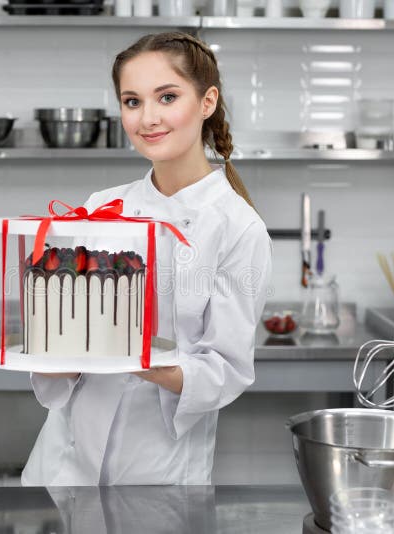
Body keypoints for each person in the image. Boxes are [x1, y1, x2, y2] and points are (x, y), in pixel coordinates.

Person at [21, 31, 272, 486]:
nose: (148, 118)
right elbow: (68, 337)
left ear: (207, 101)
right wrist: (54, 351)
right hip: (64, 465)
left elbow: (226, 370)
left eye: (167, 96)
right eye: (132, 101)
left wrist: (142, 361)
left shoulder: (238, 227)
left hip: (159, 472)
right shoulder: (103, 206)